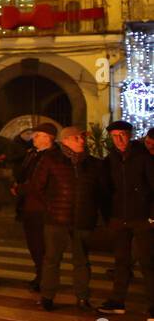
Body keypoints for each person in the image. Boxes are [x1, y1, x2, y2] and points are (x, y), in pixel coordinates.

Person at [39, 127, 107, 311]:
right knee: (52, 259)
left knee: (82, 261)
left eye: (82, 137)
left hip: (83, 219)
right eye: (76, 138)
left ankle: (83, 297)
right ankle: (47, 296)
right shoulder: (51, 160)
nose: (81, 141)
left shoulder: (93, 164)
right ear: (65, 141)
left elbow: (100, 192)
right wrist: (50, 207)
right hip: (57, 219)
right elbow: (39, 187)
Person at [98, 120, 154, 320]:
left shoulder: (144, 158)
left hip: (141, 219)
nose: (119, 139)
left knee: (148, 262)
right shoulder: (110, 159)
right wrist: (109, 216)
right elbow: (106, 190)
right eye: (114, 136)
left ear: (130, 135)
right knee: (121, 262)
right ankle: (118, 301)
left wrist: (151, 217)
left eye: (122, 134)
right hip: (119, 218)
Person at [13, 123, 59, 292]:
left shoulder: (51, 156)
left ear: (48, 138)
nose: (34, 138)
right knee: (34, 244)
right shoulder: (33, 154)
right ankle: (40, 275)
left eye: (38, 135)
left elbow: (39, 183)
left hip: (40, 207)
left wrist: (20, 188)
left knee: (41, 245)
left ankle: (44, 279)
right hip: (29, 206)